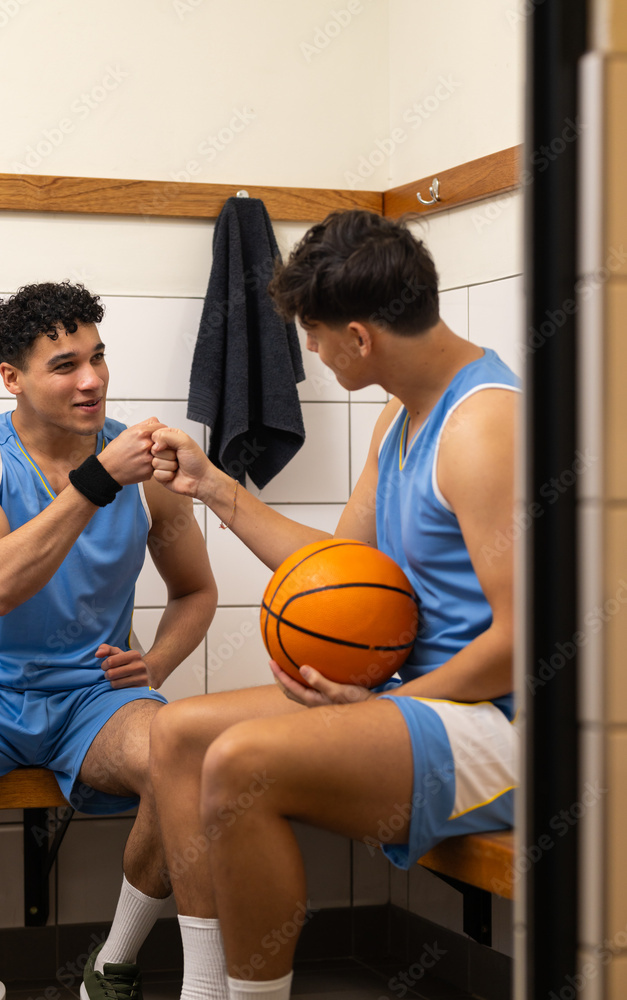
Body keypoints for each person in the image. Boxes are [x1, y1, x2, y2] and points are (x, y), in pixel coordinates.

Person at [147, 209, 520, 1000]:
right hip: (415, 702)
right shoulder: (400, 411)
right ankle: (206, 989)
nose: (309, 354)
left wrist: (370, 707)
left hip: (506, 719)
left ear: (359, 337)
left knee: (244, 761)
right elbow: (339, 571)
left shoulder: (485, 426)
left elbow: (527, 639)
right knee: (179, 733)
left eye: (313, 337)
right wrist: (213, 484)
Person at [0, 282, 217, 1000]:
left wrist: (154, 663)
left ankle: (113, 964)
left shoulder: (141, 464)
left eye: (98, 358)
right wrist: (97, 482)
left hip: (94, 699)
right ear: (12, 378)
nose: (93, 380)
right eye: (65, 364)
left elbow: (196, 591)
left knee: (187, 763)